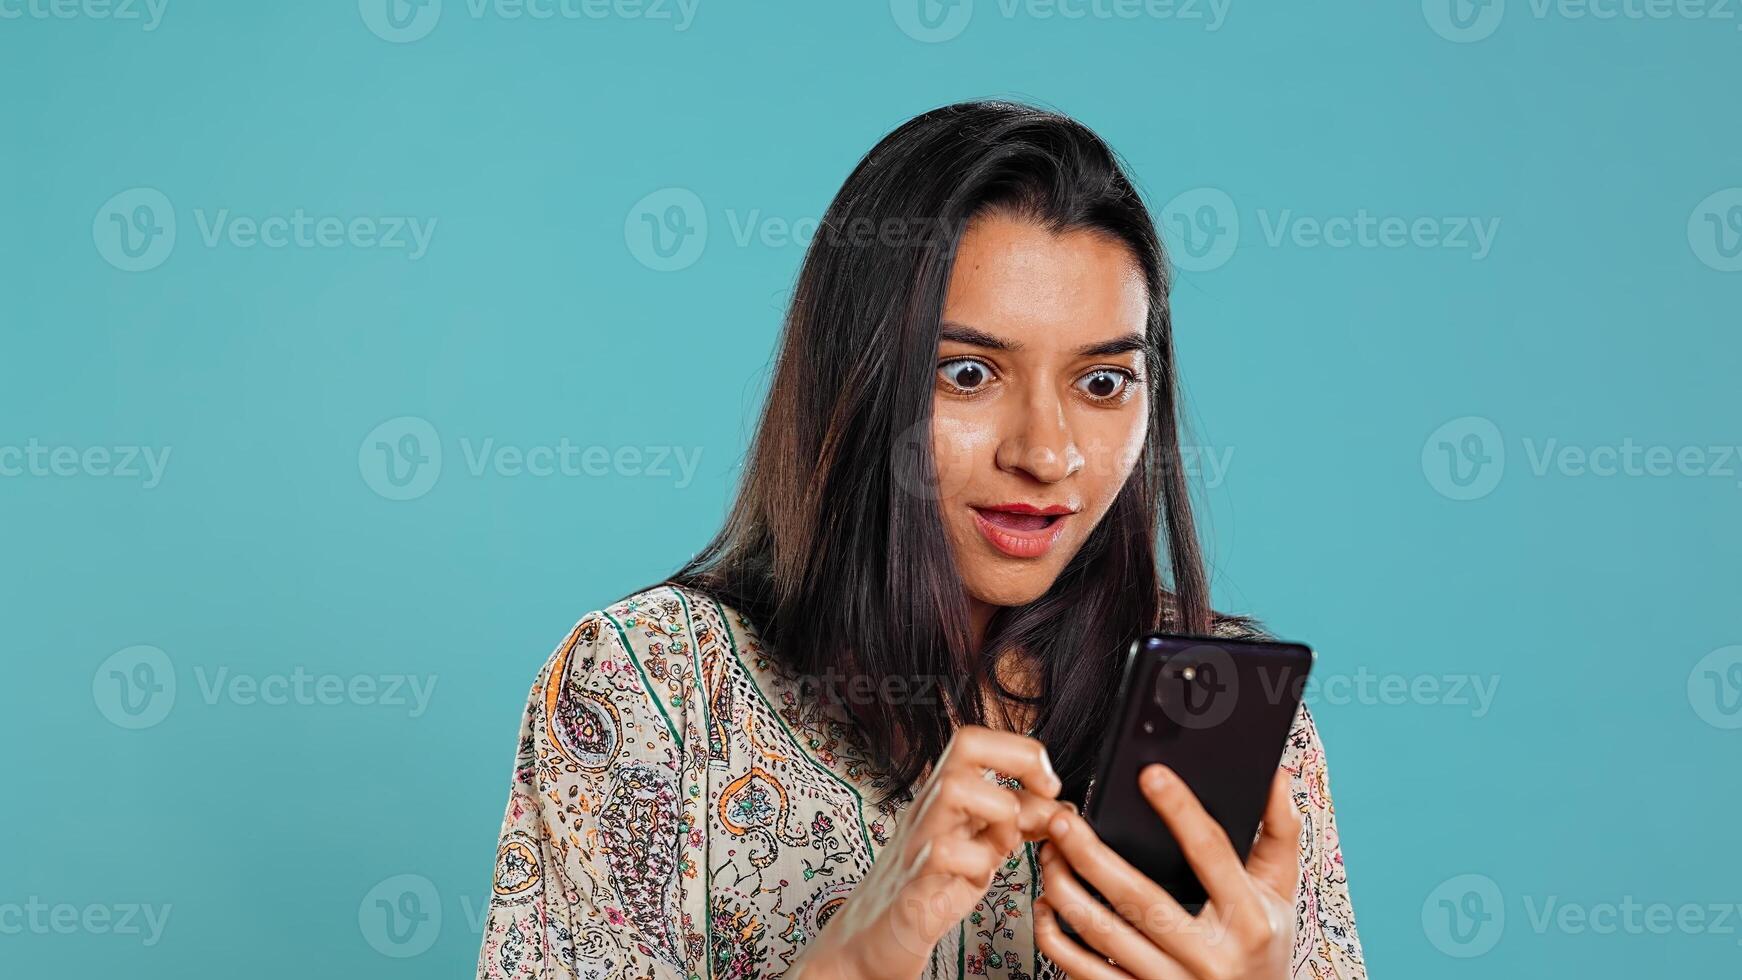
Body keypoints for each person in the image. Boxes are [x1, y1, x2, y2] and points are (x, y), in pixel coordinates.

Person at [475, 100, 1365, 980]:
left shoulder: (1225, 718)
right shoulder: (650, 687)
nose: (1046, 453)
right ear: (856, 377)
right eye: (969, 373)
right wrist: (857, 961)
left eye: (1103, 381)